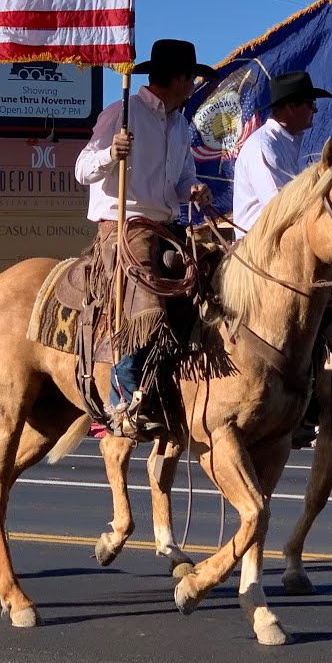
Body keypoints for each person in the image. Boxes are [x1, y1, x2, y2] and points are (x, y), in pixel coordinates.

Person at [73, 37, 216, 436]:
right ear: (178, 79)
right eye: (191, 79)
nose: (193, 87)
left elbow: (184, 176)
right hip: (125, 224)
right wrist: (110, 154)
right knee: (144, 286)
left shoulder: (180, 124)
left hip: (166, 225)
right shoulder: (122, 113)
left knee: (213, 272)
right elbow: (82, 169)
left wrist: (193, 189)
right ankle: (124, 396)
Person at [231, 70, 332, 233]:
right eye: (311, 104)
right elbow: (281, 208)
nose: (315, 110)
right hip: (259, 249)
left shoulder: (283, 142)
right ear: (291, 107)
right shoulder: (263, 146)